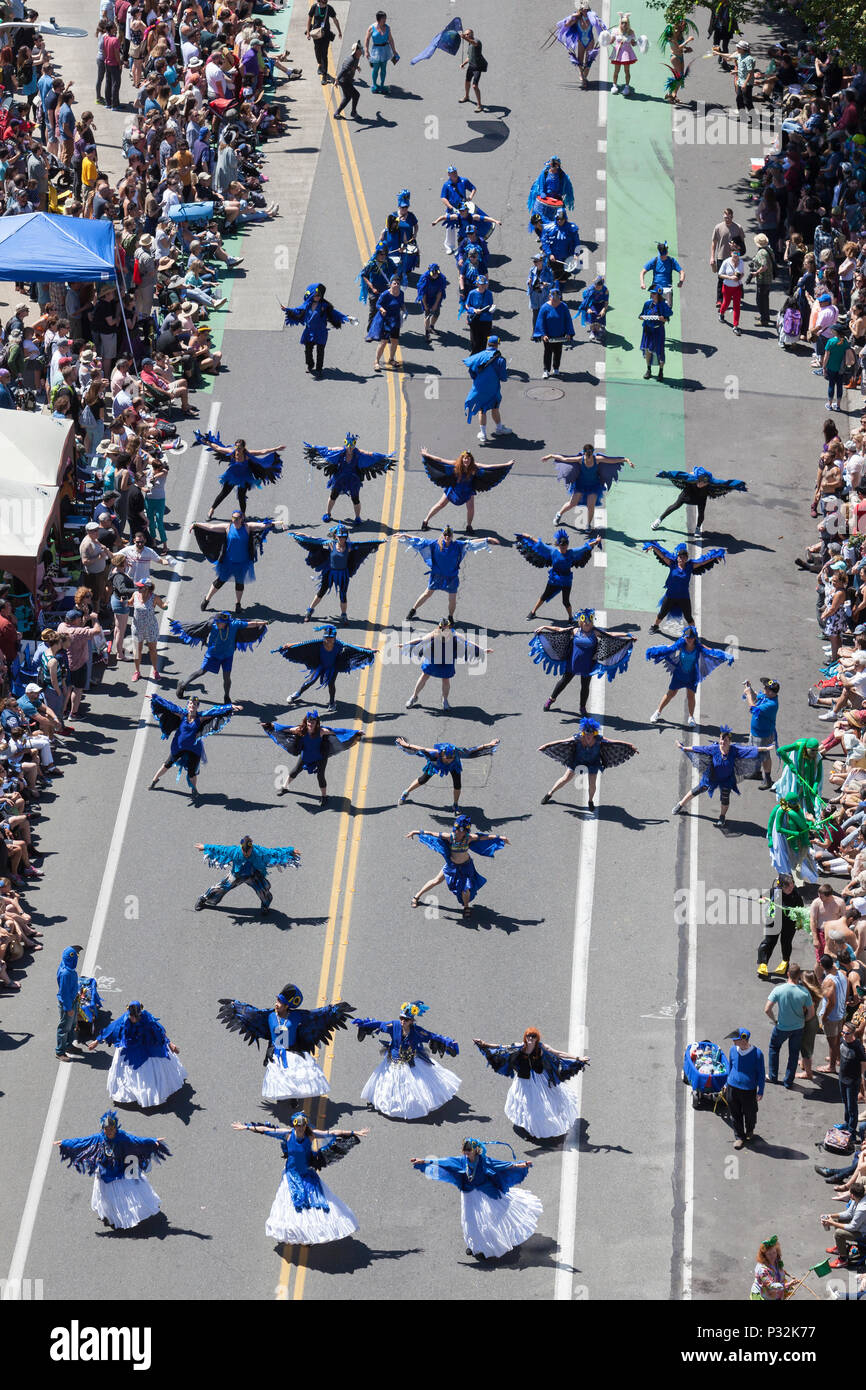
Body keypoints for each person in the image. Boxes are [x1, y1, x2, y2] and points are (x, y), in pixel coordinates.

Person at [232, 1114, 366, 1246]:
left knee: (313, 1205)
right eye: (298, 1126)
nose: (301, 1128)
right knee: (293, 1206)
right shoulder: (287, 1134)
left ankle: (307, 1235)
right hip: (291, 1175)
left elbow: (333, 1132)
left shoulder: (311, 1135)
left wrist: (355, 1132)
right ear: (294, 1126)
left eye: (303, 1126)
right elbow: (266, 1130)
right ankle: (296, 1233)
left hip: (307, 1174)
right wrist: (246, 1127)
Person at [411, 1137, 540, 1261]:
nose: (467, 1155)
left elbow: (504, 1165)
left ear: (475, 1151)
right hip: (468, 1194)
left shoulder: (484, 1161)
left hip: (486, 1192)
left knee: (487, 1219)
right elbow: (444, 1162)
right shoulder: (461, 1161)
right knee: (469, 1221)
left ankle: (486, 1246)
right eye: (465, 1152)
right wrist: (424, 1161)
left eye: (469, 1152)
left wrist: (521, 1165)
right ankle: (474, 1246)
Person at [217, 985, 353, 1101]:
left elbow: (317, 1015)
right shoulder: (269, 1015)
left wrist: (334, 1010)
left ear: (287, 1006)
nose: (276, 1003)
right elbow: (251, 1013)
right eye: (277, 1000)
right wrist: (235, 1006)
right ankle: (285, 1096)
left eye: (280, 1002)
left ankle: (293, 1097)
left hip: (292, 1052)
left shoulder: (297, 1016)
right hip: (275, 1052)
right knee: (279, 1077)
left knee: (293, 1076)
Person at [55, 1111, 169, 1230]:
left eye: (111, 1129)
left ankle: (131, 1216)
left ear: (116, 1128)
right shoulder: (98, 1139)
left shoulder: (123, 1137)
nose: (109, 1132)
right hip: (106, 1174)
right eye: (106, 1129)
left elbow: (138, 1141)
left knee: (129, 1192)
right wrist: (64, 1143)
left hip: (122, 1171)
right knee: (110, 1198)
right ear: (103, 1129)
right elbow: (81, 1142)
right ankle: (115, 1216)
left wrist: (152, 1141)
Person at [353, 1000, 461, 1118]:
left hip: (410, 1062)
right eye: (401, 1018)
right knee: (388, 1084)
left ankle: (411, 1106)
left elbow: (432, 1036)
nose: (402, 1021)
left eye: (406, 1019)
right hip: (393, 1061)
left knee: (411, 1086)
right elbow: (379, 1024)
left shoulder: (417, 1032)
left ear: (411, 1021)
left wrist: (448, 1042)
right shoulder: (393, 1025)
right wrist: (363, 1024)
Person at [475, 1028, 588, 1138]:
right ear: (525, 1037)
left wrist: (578, 1058)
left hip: (539, 1079)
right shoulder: (520, 1046)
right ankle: (530, 1126)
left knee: (548, 1100)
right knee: (527, 1104)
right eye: (528, 1036)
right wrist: (485, 1044)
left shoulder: (541, 1047)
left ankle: (544, 1121)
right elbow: (501, 1047)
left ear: (536, 1038)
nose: (530, 1038)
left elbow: (558, 1054)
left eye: (533, 1036)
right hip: (523, 1080)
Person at [532, 608, 635, 714]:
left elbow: (610, 634)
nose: (587, 624)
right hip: (573, 663)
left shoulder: (595, 632)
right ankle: (551, 699)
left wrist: (626, 635)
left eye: (589, 622)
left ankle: (582, 707)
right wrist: (544, 627)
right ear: (581, 622)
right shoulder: (575, 631)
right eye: (585, 622)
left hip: (587, 664)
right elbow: (558, 629)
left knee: (585, 686)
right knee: (564, 681)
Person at [87, 999, 187, 1107]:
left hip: (147, 1047)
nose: (133, 1019)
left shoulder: (147, 1019)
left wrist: (170, 1044)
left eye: (135, 1016)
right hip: (130, 1049)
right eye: (131, 1016)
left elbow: (159, 1031)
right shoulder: (125, 1019)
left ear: (140, 1013)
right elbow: (111, 1029)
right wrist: (97, 1041)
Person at [407, 814, 508, 919]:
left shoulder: (469, 838)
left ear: (465, 831)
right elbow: (433, 833)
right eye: (457, 830)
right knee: (436, 881)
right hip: (452, 866)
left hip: (466, 867)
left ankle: (466, 907)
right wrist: (416, 832)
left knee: (466, 889)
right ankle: (416, 896)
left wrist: (500, 837)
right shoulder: (450, 837)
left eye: (461, 831)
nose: (459, 833)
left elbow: (484, 837)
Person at [672, 726, 772, 827]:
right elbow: (698, 749)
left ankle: (722, 817)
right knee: (697, 790)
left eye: (725, 740)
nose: (723, 742)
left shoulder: (734, 750)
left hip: (726, 779)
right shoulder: (714, 749)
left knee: (725, 798)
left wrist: (765, 748)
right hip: (711, 777)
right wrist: (684, 748)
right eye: (721, 740)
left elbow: (749, 750)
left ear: (730, 742)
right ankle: (680, 805)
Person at [148, 694, 240, 802]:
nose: (193, 705)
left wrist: (230, 707)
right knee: (167, 765)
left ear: (197, 707)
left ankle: (194, 790)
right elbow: (169, 706)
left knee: (192, 773)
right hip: (178, 747)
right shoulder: (181, 715)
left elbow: (215, 711)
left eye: (195, 704)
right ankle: (154, 781)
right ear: (188, 705)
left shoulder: (200, 718)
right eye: (191, 703)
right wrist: (155, 698)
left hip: (194, 749)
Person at [399, 526, 500, 622]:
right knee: (427, 594)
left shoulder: (458, 545)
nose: (447, 537)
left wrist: (487, 539)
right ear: (443, 535)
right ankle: (413, 610)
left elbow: (470, 542)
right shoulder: (435, 544)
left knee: (452, 599)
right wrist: (406, 535)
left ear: (452, 536)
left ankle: (450, 617)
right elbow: (419, 540)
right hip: (437, 575)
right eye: (445, 535)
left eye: (449, 535)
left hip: (451, 577)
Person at [193, 512, 287, 615]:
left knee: (239, 583)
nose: (236, 520)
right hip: (228, 562)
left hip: (243, 562)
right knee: (220, 581)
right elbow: (211, 527)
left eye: (238, 518)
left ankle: (238, 604)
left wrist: (280, 522)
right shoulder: (227, 527)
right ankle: (206, 600)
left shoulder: (247, 527)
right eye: (234, 518)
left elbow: (263, 525)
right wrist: (196, 524)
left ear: (242, 519)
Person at [264, 707, 360, 806]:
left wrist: (355, 733)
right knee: (295, 771)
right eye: (309, 722)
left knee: (320, 776)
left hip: (320, 756)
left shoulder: (322, 731)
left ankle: (324, 796)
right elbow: (285, 728)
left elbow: (337, 731)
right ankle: (284, 788)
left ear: (317, 723)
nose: (310, 724)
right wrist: (270, 725)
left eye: (313, 722)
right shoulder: (300, 730)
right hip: (306, 755)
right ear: (306, 722)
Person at [539, 716, 638, 811]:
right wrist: (546, 745)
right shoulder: (578, 738)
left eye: (591, 733)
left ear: (594, 732)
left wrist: (630, 745)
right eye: (586, 732)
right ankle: (550, 793)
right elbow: (562, 741)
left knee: (592, 784)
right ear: (583, 732)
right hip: (577, 761)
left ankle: (590, 801)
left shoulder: (599, 739)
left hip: (593, 763)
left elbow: (613, 742)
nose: (588, 735)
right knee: (565, 779)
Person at [289, 525, 384, 625]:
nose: (341, 539)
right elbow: (313, 539)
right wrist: (298, 536)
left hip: (343, 574)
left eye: (343, 537)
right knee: (321, 591)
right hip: (329, 573)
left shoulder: (349, 546)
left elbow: (363, 544)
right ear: (336, 537)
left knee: (343, 595)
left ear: (346, 537)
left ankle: (343, 615)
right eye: (340, 537)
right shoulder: (331, 544)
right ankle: (309, 610)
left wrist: (379, 542)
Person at [646, 626, 734, 726]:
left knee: (690, 696)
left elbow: (712, 651)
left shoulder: (699, 647)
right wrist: (653, 651)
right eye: (687, 638)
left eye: (691, 638)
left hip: (692, 676)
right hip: (679, 675)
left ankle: (691, 718)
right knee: (671, 694)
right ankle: (657, 712)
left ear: (695, 638)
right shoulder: (681, 644)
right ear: (684, 637)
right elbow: (668, 648)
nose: (689, 640)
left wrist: (726, 655)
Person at [172, 613, 268, 703]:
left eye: (219, 622)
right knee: (202, 671)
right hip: (213, 655)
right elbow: (199, 627)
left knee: (226, 677)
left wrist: (263, 623)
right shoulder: (212, 625)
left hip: (227, 656)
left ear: (225, 623)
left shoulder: (234, 624)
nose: (217, 624)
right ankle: (183, 684)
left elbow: (250, 624)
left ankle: (226, 696)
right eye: (216, 622)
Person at [193, 836, 301, 917]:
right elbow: (221, 849)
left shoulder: (259, 852)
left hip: (253, 874)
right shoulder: (235, 851)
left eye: (248, 852)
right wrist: (205, 847)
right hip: (237, 874)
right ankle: (203, 899)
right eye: (244, 852)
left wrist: (290, 851)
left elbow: (274, 853)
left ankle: (265, 906)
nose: (246, 854)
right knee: (221, 887)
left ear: (251, 848)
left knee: (263, 890)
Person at [274, 624, 375, 710]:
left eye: (331, 639)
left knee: (331, 684)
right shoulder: (318, 643)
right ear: (324, 638)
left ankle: (332, 703)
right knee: (310, 681)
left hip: (332, 667)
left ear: (334, 638)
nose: (328, 641)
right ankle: (297, 694)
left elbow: (353, 646)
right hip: (320, 665)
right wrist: (290, 645)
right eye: (326, 638)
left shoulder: (339, 644)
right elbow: (303, 644)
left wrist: (368, 649)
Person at [400, 620, 493, 712]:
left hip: (447, 659)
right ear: (439, 627)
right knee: (424, 675)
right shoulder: (435, 633)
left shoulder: (454, 634)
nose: (444, 629)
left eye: (446, 627)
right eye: (442, 627)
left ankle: (445, 700)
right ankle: (414, 696)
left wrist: (482, 650)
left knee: (445, 679)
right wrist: (406, 644)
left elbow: (467, 642)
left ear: (449, 627)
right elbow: (421, 640)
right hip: (434, 658)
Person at [305, 433, 395, 526]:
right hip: (339, 478)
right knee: (333, 495)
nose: (349, 449)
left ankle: (357, 517)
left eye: (351, 447)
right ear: (345, 445)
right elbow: (327, 450)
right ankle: (328, 513)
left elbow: (372, 455)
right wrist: (314, 447)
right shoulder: (339, 451)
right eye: (348, 446)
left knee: (355, 499)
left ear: (354, 445)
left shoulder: (359, 454)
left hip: (353, 480)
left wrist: (385, 457)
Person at [420, 448, 513, 532]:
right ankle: (425, 521)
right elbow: (440, 460)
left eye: (468, 459)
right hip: (453, 490)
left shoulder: (474, 467)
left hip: (468, 491)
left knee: (471, 509)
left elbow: (489, 467)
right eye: (465, 458)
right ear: (462, 459)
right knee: (440, 504)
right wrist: (427, 455)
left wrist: (506, 464)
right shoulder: (455, 464)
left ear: (471, 460)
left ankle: (469, 526)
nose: (466, 460)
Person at [397, 737, 499, 812]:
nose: (449, 759)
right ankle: (406, 792)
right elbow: (419, 748)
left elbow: (473, 749)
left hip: (454, 767)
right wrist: (406, 745)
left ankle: (455, 804)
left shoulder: (457, 754)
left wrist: (489, 744)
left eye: (452, 757)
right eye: (447, 757)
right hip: (436, 765)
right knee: (423, 779)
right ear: (442, 754)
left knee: (457, 784)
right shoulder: (434, 753)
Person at [516, 529, 600, 620]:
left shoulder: (572, 552)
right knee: (544, 595)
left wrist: (596, 541)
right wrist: (528, 537)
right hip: (554, 579)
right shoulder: (552, 551)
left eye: (565, 547)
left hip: (566, 580)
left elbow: (585, 547)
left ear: (567, 545)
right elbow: (540, 544)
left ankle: (570, 618)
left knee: (565, 601)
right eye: (562, 547)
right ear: (559, 545)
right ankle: (533, 612)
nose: (563, 549)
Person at [643, 541, 727, 632]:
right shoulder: (672, 564)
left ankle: (694, 633)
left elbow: (703, 562)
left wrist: (714, 557)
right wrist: (653, 547)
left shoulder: (690, 566)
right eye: (680, 557)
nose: (682, 559)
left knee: (688, 617)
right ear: (677, 557)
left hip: (684, 597)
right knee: (662, 614)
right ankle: (655, 626)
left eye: (684, 557)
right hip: (670, 595)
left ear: (687, 558)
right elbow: (662, 556)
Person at [548, 444, 634, 532]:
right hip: (580, 485)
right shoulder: (580, 460)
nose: (589, 457)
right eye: (587, 455)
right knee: (572, 503)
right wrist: (551, 456)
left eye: (590, 454)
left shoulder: (597, 459)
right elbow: (564, 459)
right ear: (584, 453)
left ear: (592, 452)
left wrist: (626, 460)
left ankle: (588, 525)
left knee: (591, 506)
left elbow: (612, 460)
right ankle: (559, 514)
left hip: (593, 486)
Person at [196, 433, 285, 519]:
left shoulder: (248, 454)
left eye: (239, 447)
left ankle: (243, 513)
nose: (237, 449)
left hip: (244, 477)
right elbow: (217, 447)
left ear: (243, 448)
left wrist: (276, 448)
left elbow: (262, 451)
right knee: (224, 493)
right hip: (232, 475)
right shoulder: (231, 453)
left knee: (241, 496)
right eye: (236, 447)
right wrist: (206, 442)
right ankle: (212, 509)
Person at [651, 466, 747, 539]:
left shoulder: (711, 481)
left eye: (704, 483)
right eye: (699, 482)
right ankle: (659, 520)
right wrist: (663, 474)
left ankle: (697, 528)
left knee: (701, 513)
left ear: (707, 481)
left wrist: (739, 486)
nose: (701, 484)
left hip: (701, 497)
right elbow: (676, 474)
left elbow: (726, 483)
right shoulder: (691, 477)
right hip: (687, 494)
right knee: (675, 506)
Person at [282, 283, 356, 378]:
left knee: (320, 352)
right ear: (311, 295)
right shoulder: (307, 305)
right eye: (316, 295)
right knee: (308, 350)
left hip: (321, 333)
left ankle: (319, 369)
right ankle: (310, 364)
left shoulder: (324, 306)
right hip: (309, 332)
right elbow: (297, 310)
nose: (318, 297)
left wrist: (347, 317)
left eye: (319, 295)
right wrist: (287, 309)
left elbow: (335, 314)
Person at [764, 962, 815, 1088]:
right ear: (799, 976)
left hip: (782, 1027)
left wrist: (775, 1020)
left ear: (788, 974)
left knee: (774, 1048)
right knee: (793, 1054)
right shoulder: (804, 992)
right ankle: (788, 1081)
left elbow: (767, 1009)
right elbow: (811, 1012)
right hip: (798, 1028)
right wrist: (803, 1020)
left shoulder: (779, 989)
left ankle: (773, 1076)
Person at [463, 334, 512, 445]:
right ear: (497, 345)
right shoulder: (500, 359)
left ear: (488, 343)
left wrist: (477, 380)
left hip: (479, 388)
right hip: (493, 389)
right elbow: (503, 378)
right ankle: (499, 428)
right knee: (495, 408)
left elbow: (471, 370)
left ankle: (483, 434)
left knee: (482, 410)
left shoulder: (478, 356)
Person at [757, 875, 805, 979]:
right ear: (782, 887)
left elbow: (801, 908)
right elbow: (762, 897)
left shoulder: (795, 894)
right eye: (788, 888)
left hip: (789, 923)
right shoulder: (774, 891)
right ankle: (763, 964)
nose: (791, 889)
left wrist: (799, 921)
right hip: (774, 921)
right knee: (769, 942)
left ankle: (784, 963)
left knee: (786, 942)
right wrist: (762, 900)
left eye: (792, 887)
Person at [725, 1027, 765, 1149]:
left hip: (748, 1090)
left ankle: (750, 1130)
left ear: (744, 1040)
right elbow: (730, 1067)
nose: (733, 1042)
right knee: (735, 1114)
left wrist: (761, 1090)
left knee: (750, 1113)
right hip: (733, 1088)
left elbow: (761, 1073)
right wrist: (727, 1084)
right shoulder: (732, 1050)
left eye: (735, 1040)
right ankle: (739, 1137)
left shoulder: (757, 1054)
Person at [552, 7, 606, 90]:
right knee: (580, 61)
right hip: (581, 42)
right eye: (583, 9)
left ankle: (584, 78)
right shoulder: (576, 19)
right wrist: (572, 17)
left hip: (590, 41)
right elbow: (566, 25)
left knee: (588, 61)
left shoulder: (592, 17)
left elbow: (599, 25)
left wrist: (603, 31)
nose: (584, 10)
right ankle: (584, 79)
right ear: (580, 10)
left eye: (586, 9)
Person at [743, 676, 779, 789]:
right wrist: (750, 688)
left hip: (763, 735)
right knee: (754, 752)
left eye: (766, 688)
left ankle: (768, 780)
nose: (764, 689)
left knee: (765, 757)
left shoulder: (771, 704)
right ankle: (756, 772)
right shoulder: (766, 697)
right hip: (756, 732)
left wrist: (748, 694)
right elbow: (756, 697)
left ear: (772, 692)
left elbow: (753, 709)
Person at [532, 286, 575, 378]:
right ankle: (546, 370)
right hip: (548, 336)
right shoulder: (544, 308)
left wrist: (568, 333)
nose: (555, 301)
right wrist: (543, 335)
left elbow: (568, 320)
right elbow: (540, 322)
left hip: (560, 335)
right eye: (553, 298)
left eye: (557, 299)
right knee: (547, 352)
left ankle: (556, 368)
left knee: (558, 351)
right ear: (549, 297)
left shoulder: (564, 306)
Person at [822, 1180, 866, 1268]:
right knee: (839, 1220)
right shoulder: (858, 1197)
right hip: (860, 1227)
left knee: (839, 1233)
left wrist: (832, 1223)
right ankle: (840, 1248)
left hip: (863, 1234)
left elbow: (853, 1227)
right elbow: (848, 1214)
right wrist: (830, 1216)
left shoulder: (862, 1209)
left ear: (852, 1195)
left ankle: (843, 1259)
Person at [819, 955, 850, 1075]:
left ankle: (831, 1066)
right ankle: (837, 1058)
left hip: (832, 1016)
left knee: (833, 1042)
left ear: (822, 966)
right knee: (837, 1039)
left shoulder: (828, 981)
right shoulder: (842, 974)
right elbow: (847, 991)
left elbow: (831, 1002)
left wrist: (825, 1016)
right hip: (841, 1013)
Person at [366, 275, 404, 371]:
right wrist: (382, 309)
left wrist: (405, 311)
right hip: (386, 320)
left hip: (395, 320)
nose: (396, 285)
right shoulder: (385, 294)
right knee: (383, 342)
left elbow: (401, 304)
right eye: (394, 283)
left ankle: (391, 359)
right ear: (390, 284)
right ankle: (376, 362)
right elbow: (378, 304)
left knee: (395, 341)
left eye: (398, 283)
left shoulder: (401, 293)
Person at [710, 207, 746, 309]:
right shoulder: (718, 227)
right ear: (723, 216)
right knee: (721, 278)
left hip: (735, 257)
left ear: (732, 217)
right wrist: (712, 257)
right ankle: (720, 300)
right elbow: (714, 243)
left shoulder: (738, 227)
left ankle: (738, 295)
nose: (727, 219)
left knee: (737, 277)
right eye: (726, 217)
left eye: (729, 217)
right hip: (721, 256)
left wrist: (736, 247)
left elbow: (742, 244)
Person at [838, 1021, 866, 1134]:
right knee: (845, 1103)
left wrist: (861, 1078)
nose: (844, 1035)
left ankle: (851, 1130)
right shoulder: (842, 1041)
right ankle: (846, 1123)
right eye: (843, 1032)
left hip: (852, 1081)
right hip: (842, 1078)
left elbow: (863, 1063)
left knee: (852, 1107)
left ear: (853, 1033)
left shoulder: (857, 1046)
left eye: (847, 1033)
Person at [639, 287, 673, 379]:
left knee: (660, 351)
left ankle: (661, 372)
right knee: (647, 350)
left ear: (658, 295)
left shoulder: (663, 305)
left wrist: (663, 319)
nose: (652, 295)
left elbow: (669, 315)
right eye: (651, 293)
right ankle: (648, 370)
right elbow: (641, 314)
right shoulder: (647, 303)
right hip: (647, 329)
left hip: (658, 330)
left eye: (654, 294)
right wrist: (642, 317)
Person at [640, 240, 685, 307]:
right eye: (661, 256)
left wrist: (681, 282)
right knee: (654, 309)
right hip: (656, 288)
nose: (663, 257)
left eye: (664, 255)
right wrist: (642, 283)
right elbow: (642, 272)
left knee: (667, 309)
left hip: (667, 289)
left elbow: (682, 272)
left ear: (667, 253)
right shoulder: (654, 261)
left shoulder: (672, 261)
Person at [750, 1236, 795, 1300]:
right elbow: (771, 1286)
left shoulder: (776, 1260)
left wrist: (789, 1275)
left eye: (774, 1252)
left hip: (776, 1293)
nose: (773, 1256)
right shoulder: (762, 1270)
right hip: (765, 1296)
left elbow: (778, 1271)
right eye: (769, 1254)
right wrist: (787, 1285)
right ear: (764, 1255)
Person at [306, 3, 341, 85]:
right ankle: (320, 64)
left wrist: (339, 31)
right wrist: (308, 32)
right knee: (317, 52)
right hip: (316, 34)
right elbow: (309, 19)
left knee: (324, 54)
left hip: (326, 35)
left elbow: (335, 20)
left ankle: (324, 76)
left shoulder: (329, 8)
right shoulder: (314, 7)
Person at [56, 945, 80, 1061]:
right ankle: (60, 1051)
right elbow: (64, 993)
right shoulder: (66, 974)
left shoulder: (65, 965)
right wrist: (68, 1008)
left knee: (72, 1025)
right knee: (64, 1028)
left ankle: (69, 1045)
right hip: (68, 1004)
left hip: (73, 1000)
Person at [365, 11, 398, 94]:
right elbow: (367, 39)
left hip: (385, 50)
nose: (385, 21)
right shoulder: (371, 28)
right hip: (376, 50)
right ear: (378, 20)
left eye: (385, 19)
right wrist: (366, 50)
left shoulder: (387, 28)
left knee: (383, 69)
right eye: (383, 19)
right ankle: (375, 85)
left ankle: (382, 85)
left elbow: (390, 39)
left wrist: (394, 51)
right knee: (375, 69)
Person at [415, 263, 448, 342]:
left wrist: (436, 304)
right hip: (426, 298)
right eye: (433, 273)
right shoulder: (424, 279)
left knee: (436, 313)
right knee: (427, 315)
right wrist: (426, 306)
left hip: (435, 297)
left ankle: (431, 327)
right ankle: (427, 333)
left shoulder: (441, 278)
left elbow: (440, 292)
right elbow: (423, 294)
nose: (435, 275)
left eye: (437, 273)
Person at [718, 246, 746, 335]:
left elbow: (742, 273)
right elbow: (720, 274)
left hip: (737, 287)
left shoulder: (741, 262)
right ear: (731, 253)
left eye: (738, 253)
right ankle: (721, 314)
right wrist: (730, 277)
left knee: (737, 307)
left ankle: (735, 326)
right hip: (727, 287)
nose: (736, 255)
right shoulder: (726, 262)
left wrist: (739, 277)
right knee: (726, 303)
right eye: (735, 253)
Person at [334, 40, 364, 118]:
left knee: (347, 97)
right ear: (356, 51)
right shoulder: (350, 60)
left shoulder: (357, 57)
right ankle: (353, 112)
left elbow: (354, 65)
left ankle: (337, 113)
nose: (362, 50)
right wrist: (336, 80)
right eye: (360, 49)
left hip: (348, 80)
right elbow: (343, 71)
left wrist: (357, 67)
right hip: (344, 81)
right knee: (356, 95)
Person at [458, 28, 486, 111]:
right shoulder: (469, 44)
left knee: (474, 86)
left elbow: (474, 43)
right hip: (471, 66)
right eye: (465, 34)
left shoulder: (477, 41)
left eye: (468, 34)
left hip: (478, 67)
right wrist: (463, 63)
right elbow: (469, 57)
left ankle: (479, 105)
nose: (466, 35)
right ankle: (466, 97)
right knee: (467, 82)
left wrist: (464, 38)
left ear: (472, 34)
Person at [732, 39, 755, 118]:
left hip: (746, 83)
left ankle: (754, 119)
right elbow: (728, 56)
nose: (737, 49)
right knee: (739, 98)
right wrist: (718, 53)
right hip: (740, 82)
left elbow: (750, 72)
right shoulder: (740, 55)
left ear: (743, 49)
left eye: (738, 47)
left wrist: (745, 84)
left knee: (747, 102)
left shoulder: (749, 59)